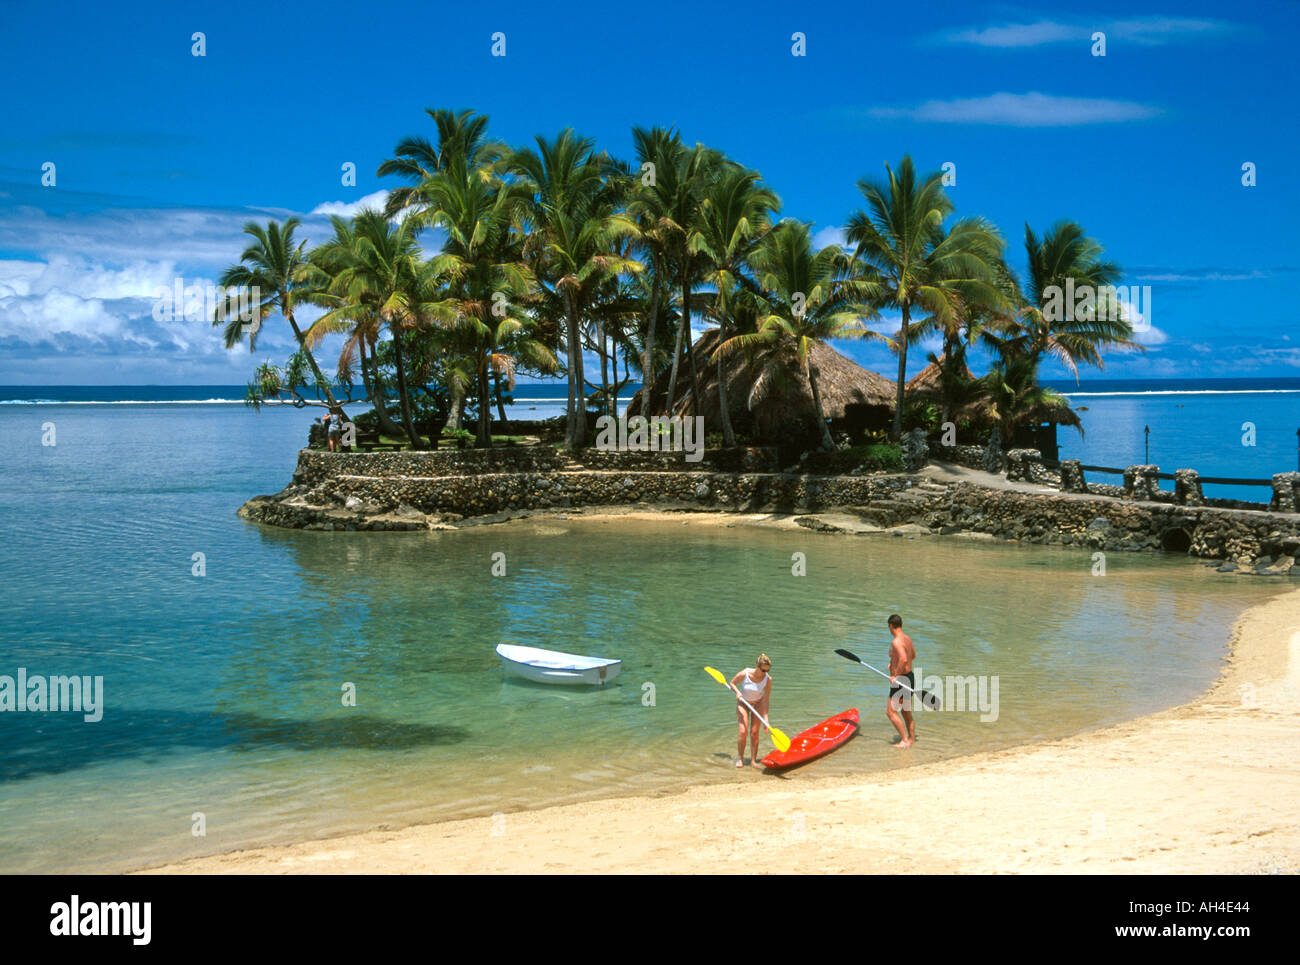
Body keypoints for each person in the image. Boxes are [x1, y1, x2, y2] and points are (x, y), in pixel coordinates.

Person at [730, 654, 772, 767]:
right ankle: (740, 759)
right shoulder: (745, 673)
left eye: (767, 670)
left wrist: (766, 719)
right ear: (756, 666)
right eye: (763, 670)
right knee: (743, 732)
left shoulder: (768, 679)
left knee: (754, 733)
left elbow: (766, 700)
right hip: (743, 703)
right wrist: (737, 692)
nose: (765, 673)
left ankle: (753, 761)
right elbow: (732, 683)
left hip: (757, 704)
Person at [886, 614, 916, 748]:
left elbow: (903, 659)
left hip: (901, 680)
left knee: (891, 712)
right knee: (905, 711)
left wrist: (895, 675)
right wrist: (893, 663)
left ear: (891, 626)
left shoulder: (896, 641)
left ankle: (904, 740)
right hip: (909, 677)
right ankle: (911, 738)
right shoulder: (907, 639)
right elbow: (912, 655)